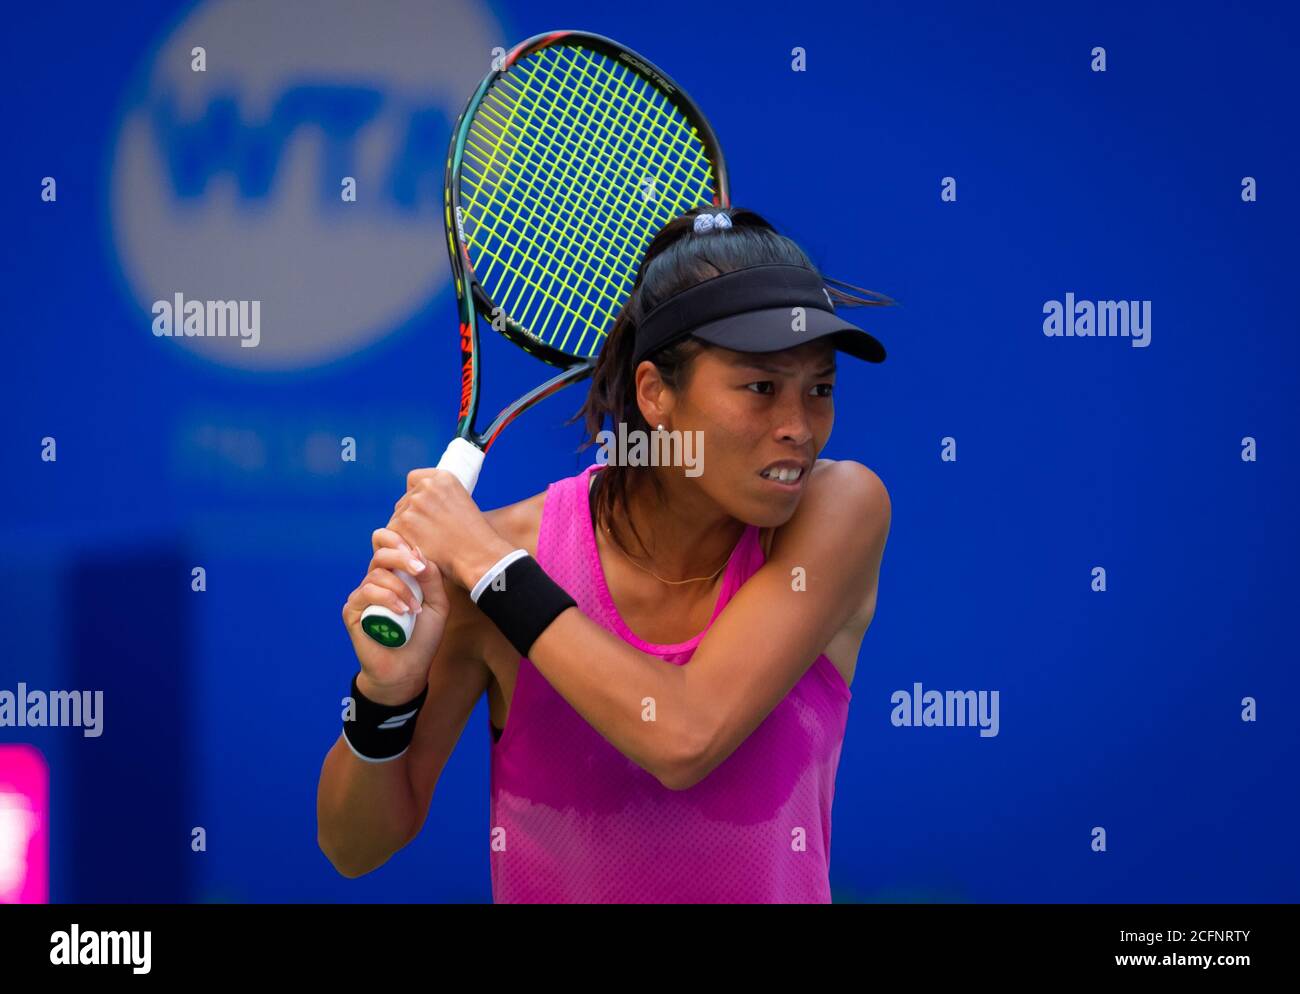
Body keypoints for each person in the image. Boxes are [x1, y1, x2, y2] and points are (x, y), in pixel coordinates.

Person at [318, 206, 893, 902]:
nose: (800, 428)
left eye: (820, 389)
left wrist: (491, 569)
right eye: (761, 388)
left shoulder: (840, 510)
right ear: (655, 393)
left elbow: (683, 736)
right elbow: (353, 846)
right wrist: (384, 697)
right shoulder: (486, 569)